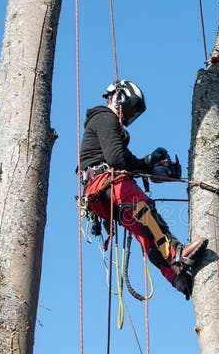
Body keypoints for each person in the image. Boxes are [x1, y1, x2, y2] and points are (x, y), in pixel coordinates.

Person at [79, 79, 207, 298]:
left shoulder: (107, 124)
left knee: (144, 232)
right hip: (109, 184)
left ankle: (175, 275)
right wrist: (147, 166)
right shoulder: (105, 117)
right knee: (145, 212)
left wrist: (149, 164)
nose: (129, 116)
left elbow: (123, 158)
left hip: (102, 193)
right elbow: (117, 158)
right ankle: (176, 252)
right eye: (129, 108)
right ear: (119, 98)